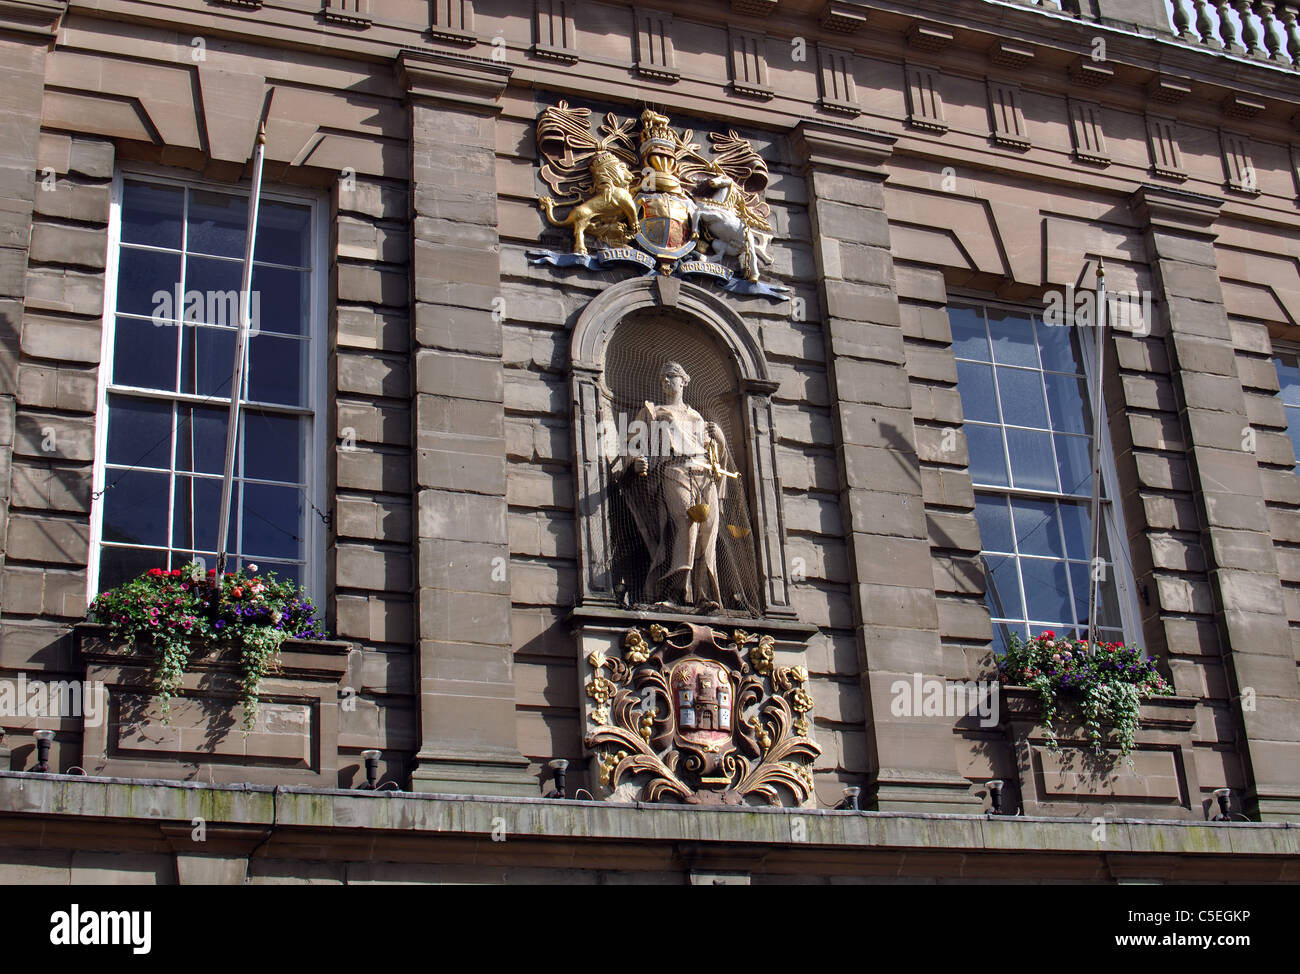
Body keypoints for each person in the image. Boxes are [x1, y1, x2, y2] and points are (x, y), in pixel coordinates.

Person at [619, 361, 731, 611]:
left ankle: (702, 594)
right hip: (674, 470)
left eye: (670, 376)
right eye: (663, 378)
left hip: (704, 474)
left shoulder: (696, 416)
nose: (665, 381)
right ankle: (673, 591)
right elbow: (629, 444)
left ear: (684, 381)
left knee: (707, 532)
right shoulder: (653, 411)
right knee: (686, 523)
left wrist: (720, 439)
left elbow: (715, 454)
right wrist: (634, 462)